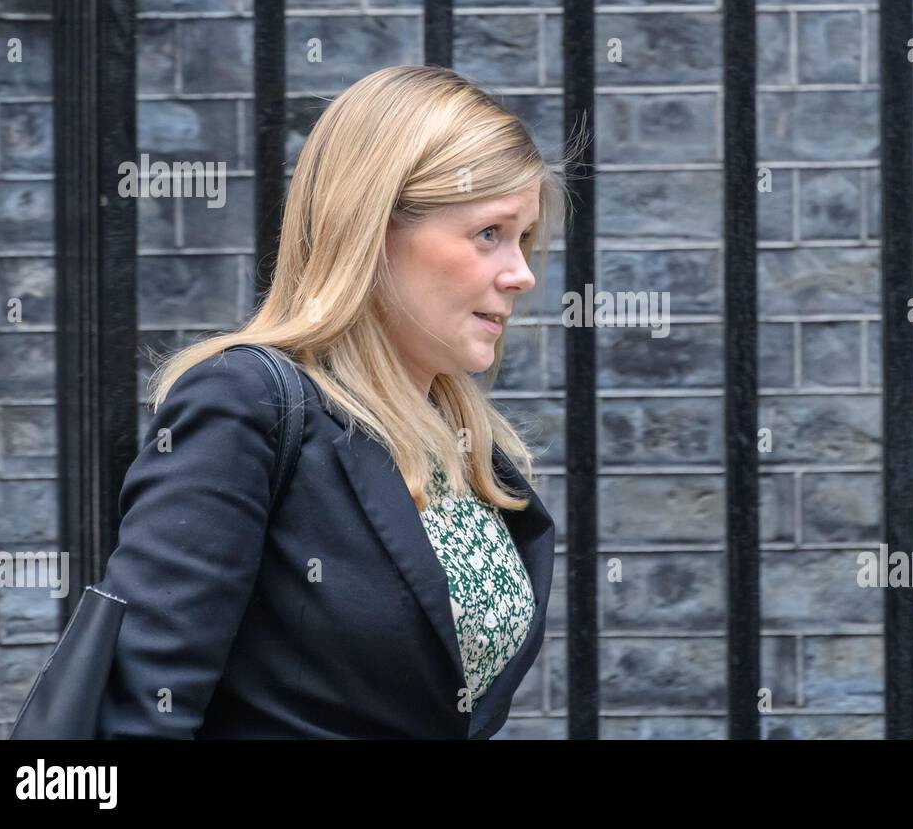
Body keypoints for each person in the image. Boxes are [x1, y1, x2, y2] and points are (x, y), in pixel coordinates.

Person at [95, 64, 572, 738]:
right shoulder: (247, 402)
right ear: (374, 231)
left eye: (524, 240)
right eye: (489, 234)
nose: (522, 274)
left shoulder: (458, 441)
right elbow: (140, 710)